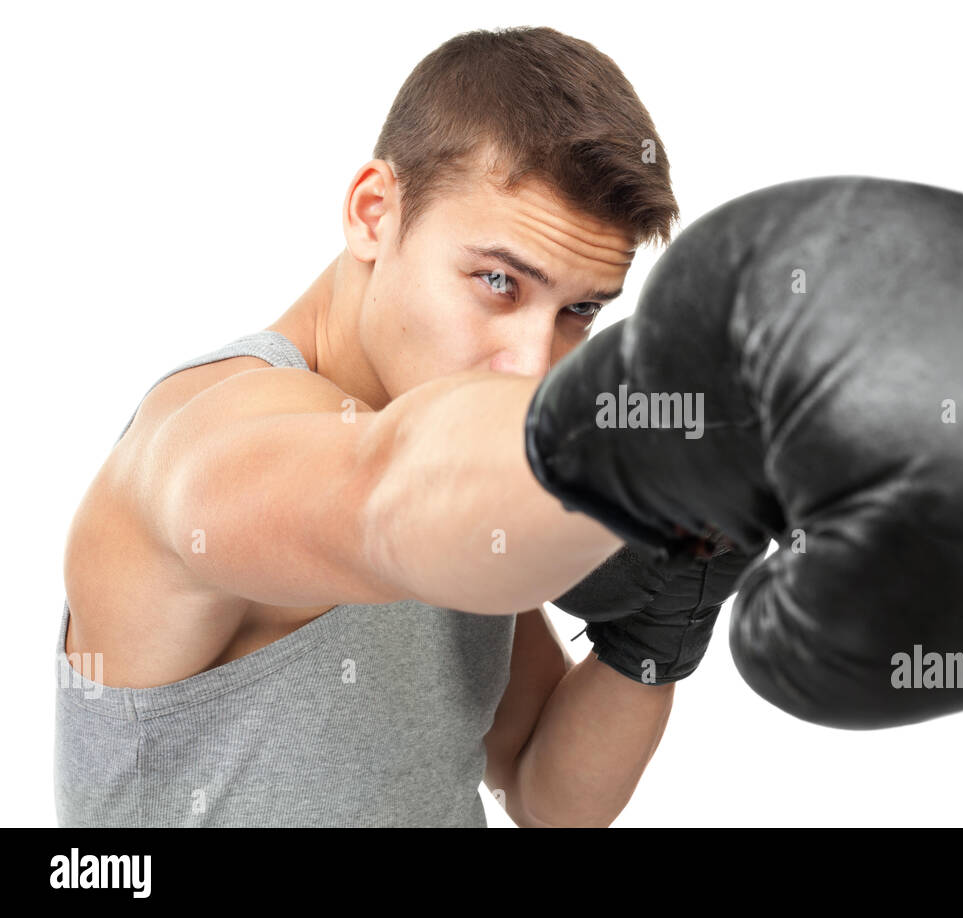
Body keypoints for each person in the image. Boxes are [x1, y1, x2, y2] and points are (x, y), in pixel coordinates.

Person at [56, 26, 709, 828]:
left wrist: (662, 626)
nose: (534, 366)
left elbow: (544, 797)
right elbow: (384, 498)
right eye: (498, 281)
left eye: (578, 311)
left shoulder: (468, 476)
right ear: (373, 213)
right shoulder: (209, 438)